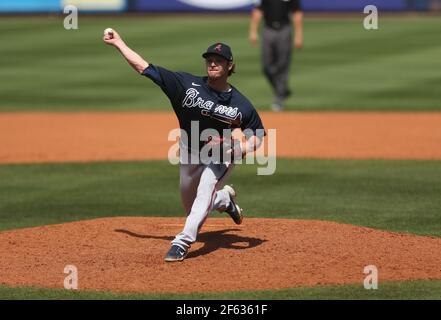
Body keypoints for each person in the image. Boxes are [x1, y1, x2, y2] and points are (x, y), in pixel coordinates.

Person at [103, 29, 266, 262]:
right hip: (189, 152)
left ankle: (182, 242)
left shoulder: (240, 103)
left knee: (203, 195)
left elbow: (258, 136)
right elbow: (145, 68)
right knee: (193, 208)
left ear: (230, 66)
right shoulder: (185, 84)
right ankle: (223, 200)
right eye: (209, 59)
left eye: (218, 60)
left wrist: (236, 150)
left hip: (220, 156)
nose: (212, 63)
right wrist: (119, 43)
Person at [249, 0, 304, 111]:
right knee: (267, 66)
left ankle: (279, 98)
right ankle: (282, 90)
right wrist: (253, 31)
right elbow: (258, 11)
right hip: (268, 29)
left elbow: (297, 13)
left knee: (282, 65)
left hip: (284, 29)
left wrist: (298, 35)